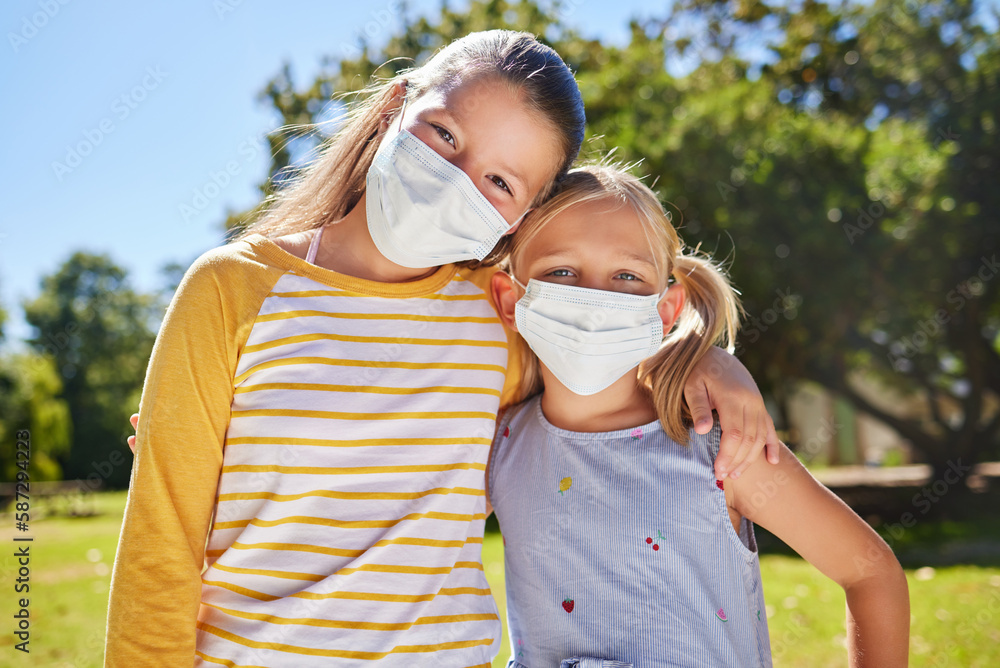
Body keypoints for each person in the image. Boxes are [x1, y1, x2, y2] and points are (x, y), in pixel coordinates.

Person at [106, 31, 778, 667]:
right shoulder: (229, 288)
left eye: (500, 181)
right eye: (445, 135)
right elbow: (159, 553)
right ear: (395, 108)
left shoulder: (500, 314)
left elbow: (607, 357)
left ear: (520, 219)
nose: (456, 177)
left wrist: (710, 359)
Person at [488, 164, 910, 668]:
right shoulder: (497, 446)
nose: (596, 298)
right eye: (561, 272)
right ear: (511, 299)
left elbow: (869, 572)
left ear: (665, 310)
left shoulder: (721, 446)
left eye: (626, 276)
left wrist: (712, 357)